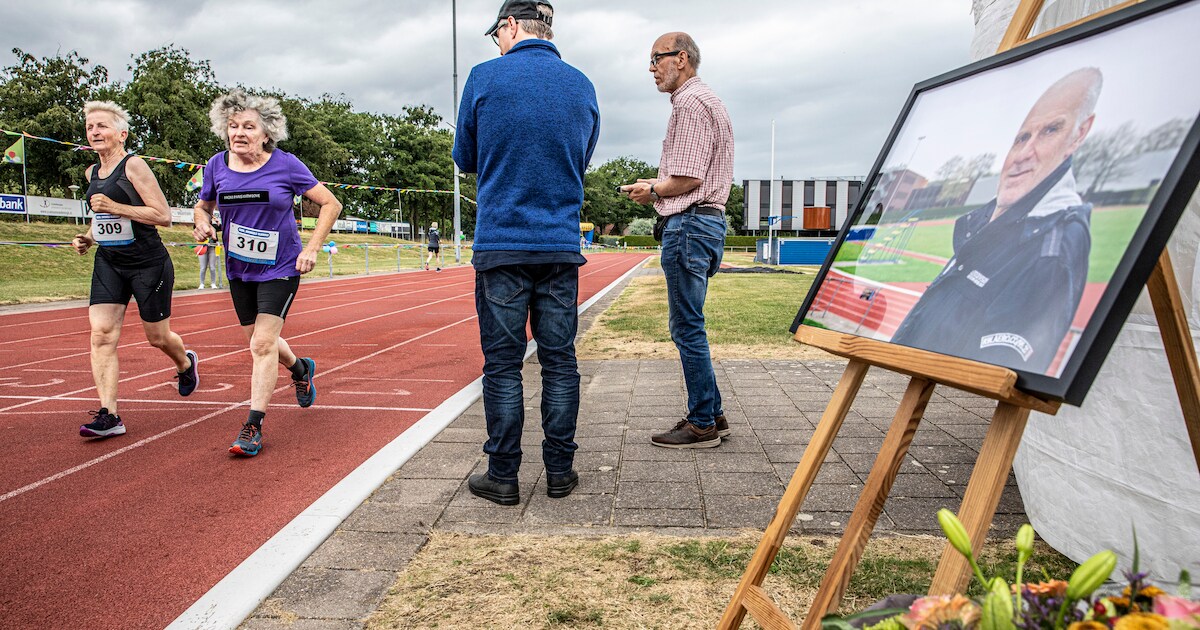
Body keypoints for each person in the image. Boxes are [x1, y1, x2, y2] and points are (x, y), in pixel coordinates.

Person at [453, 0, 599, 504]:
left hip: (502, 244)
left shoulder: (483, 77)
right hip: (559, 244)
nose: (496, 41)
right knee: (560, 362)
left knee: (503, 365)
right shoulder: (582, 84)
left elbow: (465, 158)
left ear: (512, 25)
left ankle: (504, 474)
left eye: (496, 32)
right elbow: (582, 155)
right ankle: (560, 471)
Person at [889, 68, 1101, 375]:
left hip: (948, 399)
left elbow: (998, 375)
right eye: (1021, 137)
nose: (1023, 154)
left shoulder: (1053, 249)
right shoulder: (994, 219)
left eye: (1051, 130)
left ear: (1080, 133)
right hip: (917, 377)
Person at [193, 89, 342, 457]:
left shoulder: (286, 165)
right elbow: (202, 205)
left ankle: (252, 426)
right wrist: (201, 223)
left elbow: (330, 203)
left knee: (261, 344)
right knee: (261, 342)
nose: (239, 133)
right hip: (239, 269)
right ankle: (300, 369)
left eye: (248, 126)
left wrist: (311, 248)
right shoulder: (216, 165)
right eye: (232, 126)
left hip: (281, 266)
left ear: (266, 133)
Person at [624, 32, 734, 449]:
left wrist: (653, 191)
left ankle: (702, 422)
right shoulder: (709, 100)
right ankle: (713, 412)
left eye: (656, 59)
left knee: (687, 327)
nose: (651, 68)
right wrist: (653, 185)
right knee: (692, 323)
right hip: (707, 224)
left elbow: (688, 178)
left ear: (681, 59)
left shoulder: (688, 104)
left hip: (689, 225)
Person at [71, 101, 199, 438]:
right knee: (101, 335)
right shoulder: (90, 173)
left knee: (157, 337)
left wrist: (114, 206)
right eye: (89, 127)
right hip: (110, 262)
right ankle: (109, 415)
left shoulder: (134, 166)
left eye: (101, 126)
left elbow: (163, 216)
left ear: (121, 133)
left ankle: (185, 363)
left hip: (148, 263)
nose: (94, 132)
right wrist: (87, 237)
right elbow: (100, 218)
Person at [198, 222, 220, 289]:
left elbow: (221, 227)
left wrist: (217, 221)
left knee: (212, 267)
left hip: (212, 248)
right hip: (202, 247)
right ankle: (201, 283)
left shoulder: (213, 226)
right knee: (203, 267)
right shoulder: (199, 225)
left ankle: (213, 283)